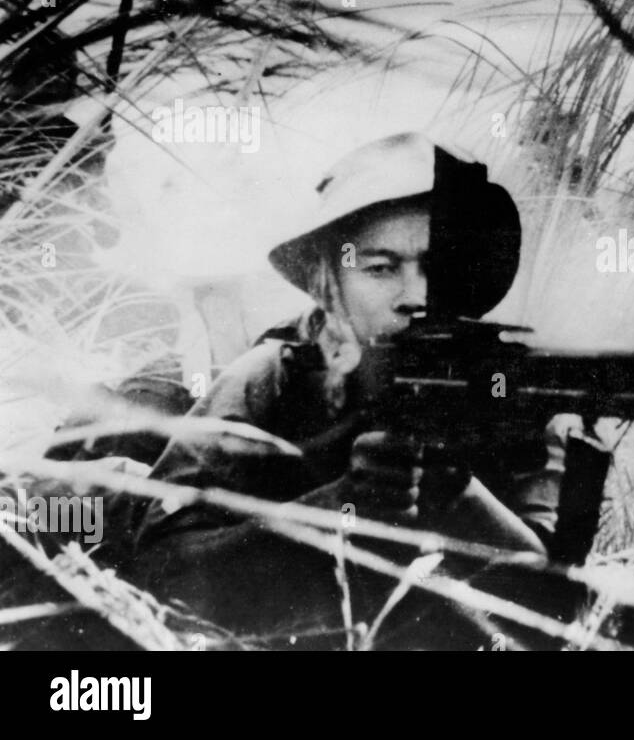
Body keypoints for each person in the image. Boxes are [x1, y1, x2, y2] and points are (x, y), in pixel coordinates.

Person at [122, 132, 602, 650]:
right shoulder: (275, 377)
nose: (415, 297)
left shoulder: (508, 393)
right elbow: (160, 570)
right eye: (380, 268)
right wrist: (336, 506)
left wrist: (456, 495)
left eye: (435, 268)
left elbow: (558, 611)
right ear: (333, 282)